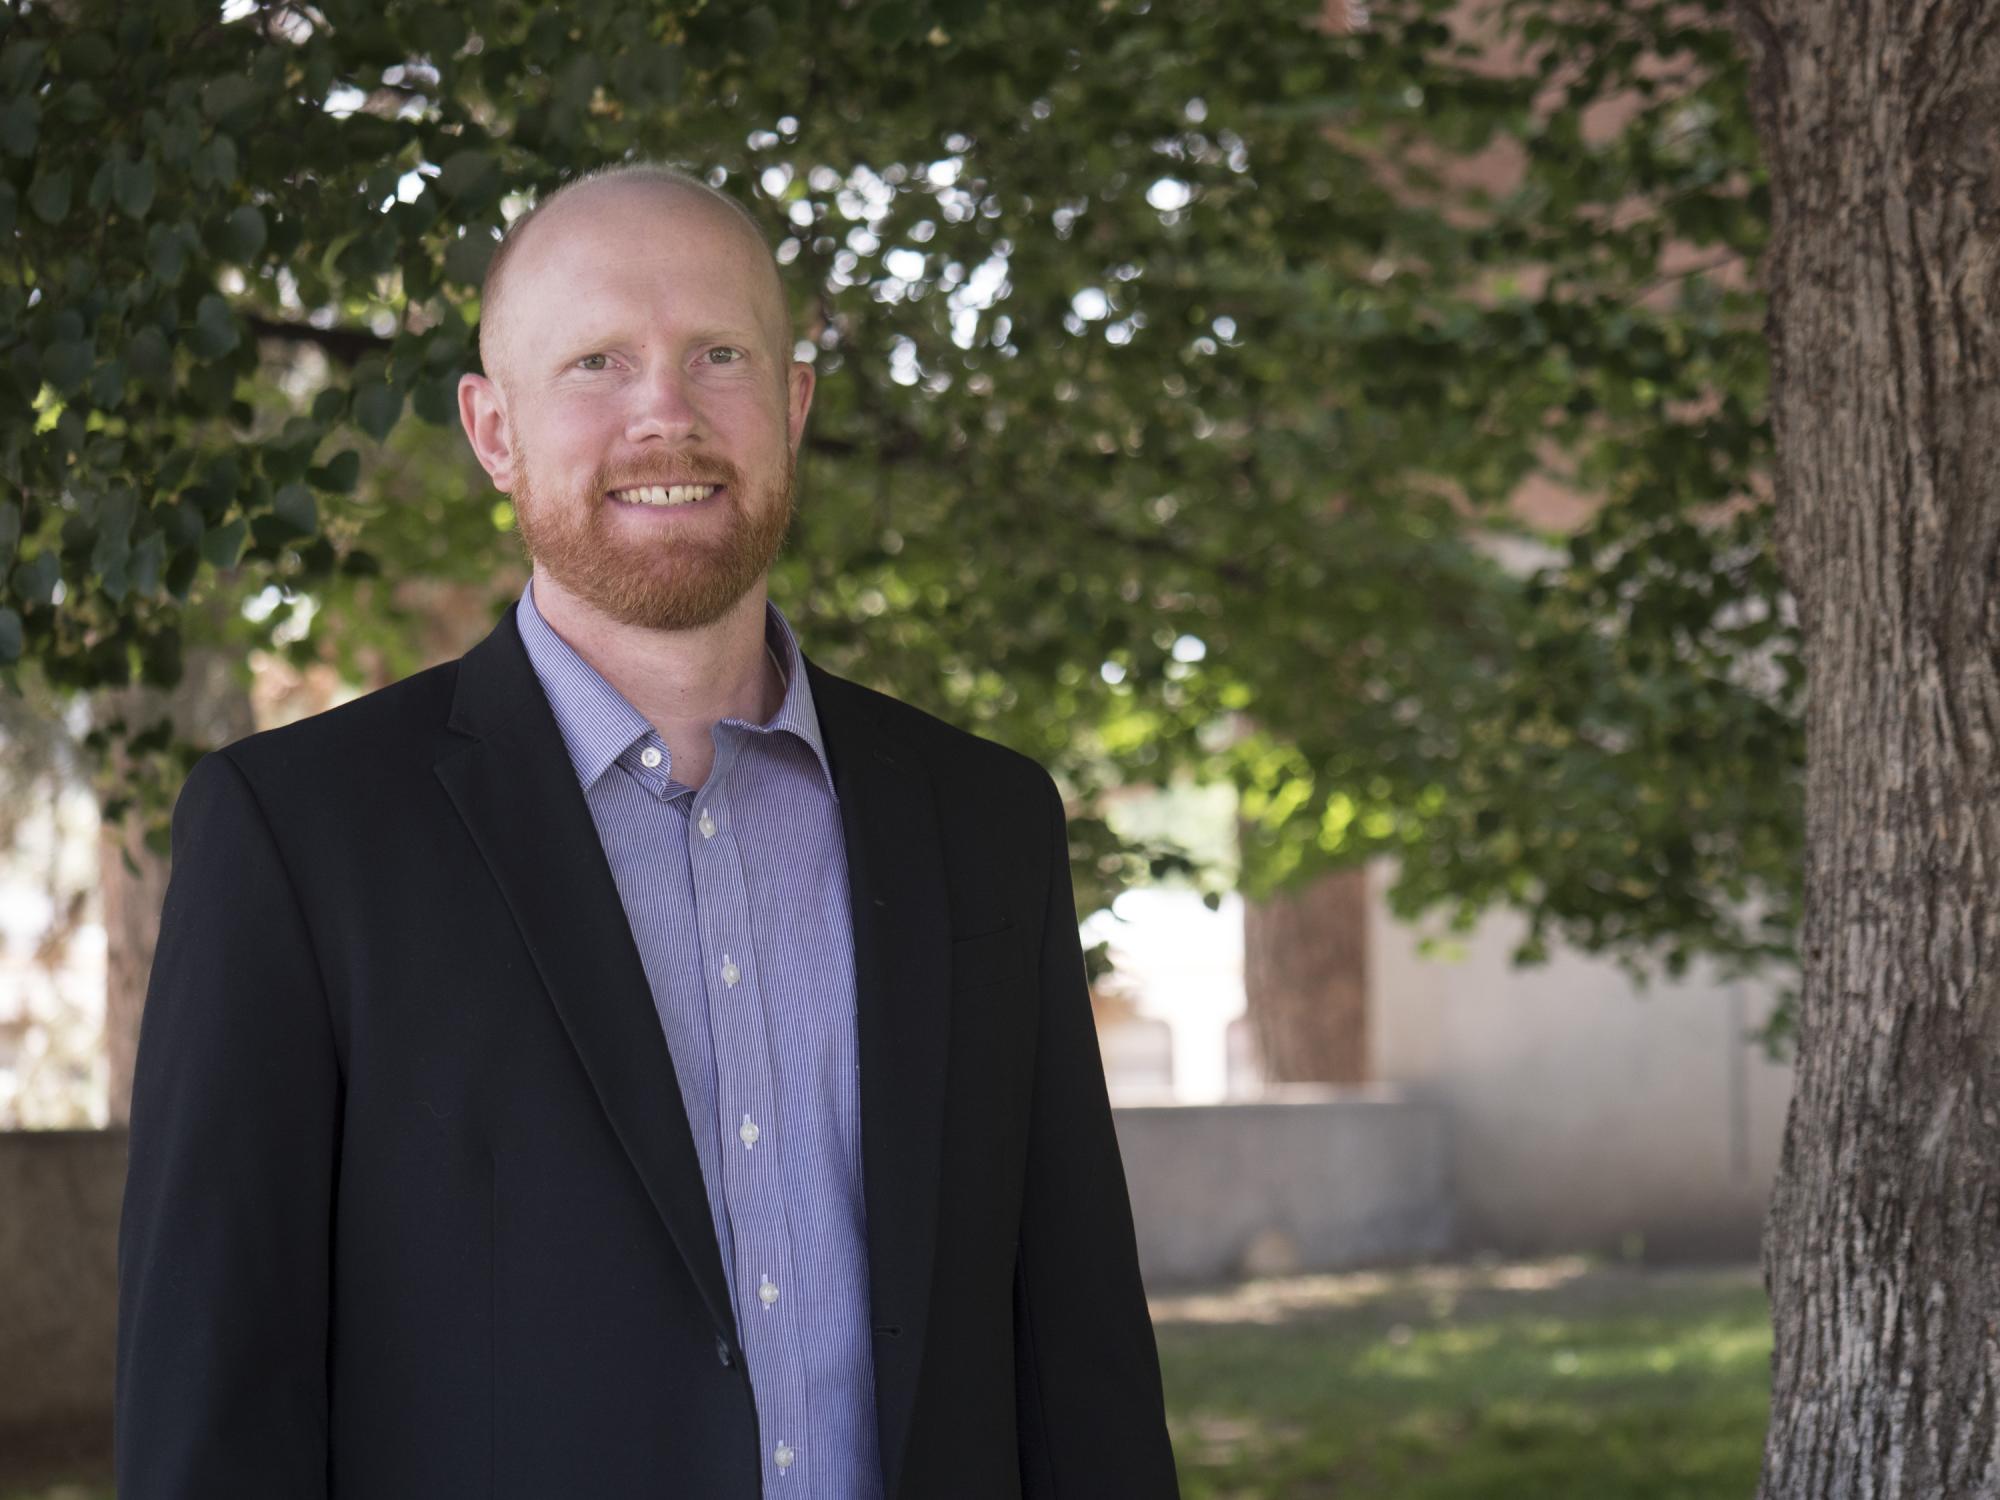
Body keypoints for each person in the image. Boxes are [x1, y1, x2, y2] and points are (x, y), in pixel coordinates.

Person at [114, 161, 1180, 1499]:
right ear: (492, 428)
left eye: (718, 355)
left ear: (792, 404)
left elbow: (1080, 1362)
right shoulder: (297, 838)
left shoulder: (985, 822)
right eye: (597, 363)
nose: (665, 415)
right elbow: (216, 1403)